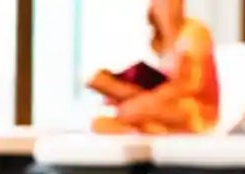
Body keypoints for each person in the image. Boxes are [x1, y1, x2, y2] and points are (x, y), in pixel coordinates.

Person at [89, 0, 220, 135]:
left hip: (193, 109)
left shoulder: (195, 32)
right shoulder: (157, 41)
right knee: (100, 123)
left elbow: (189, 84)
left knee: (136, 110)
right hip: (161, 103)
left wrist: (148, 99)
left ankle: (146, 127)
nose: (165, 6)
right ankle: (146, 129)